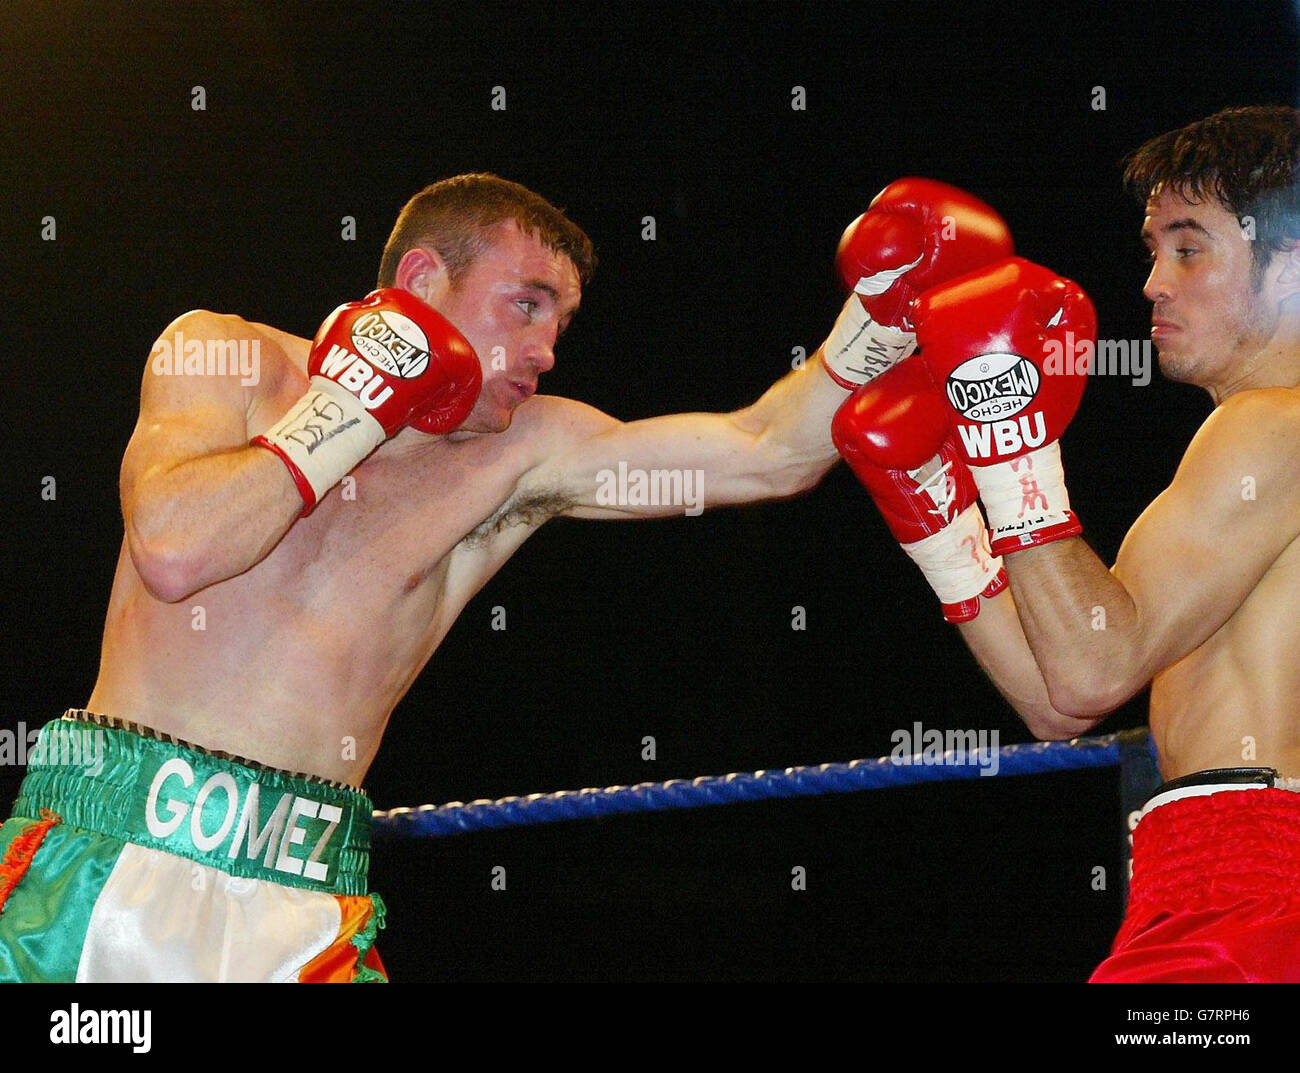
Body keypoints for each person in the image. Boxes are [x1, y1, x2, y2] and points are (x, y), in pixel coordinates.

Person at [0, 173, 1011, 981]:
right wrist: (354, 408)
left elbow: (764, 450)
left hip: (302, 898)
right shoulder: (223, 355)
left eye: (559, 324)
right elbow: (177, 549)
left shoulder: (519, 453)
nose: (543, 350)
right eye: (525, 305)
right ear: (424, 276)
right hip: (103, 852)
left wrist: (875, 320)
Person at [833, 106, 1300, 981]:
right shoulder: (1260, 453)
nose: (1156, 281)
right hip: (1216, 885)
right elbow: (1064, 698)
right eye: (1154, 248)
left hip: (1252, 904)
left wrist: (1007, 434)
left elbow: (1091, 668)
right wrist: (942, 519)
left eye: (1190, 247)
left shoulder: (1274, 429)